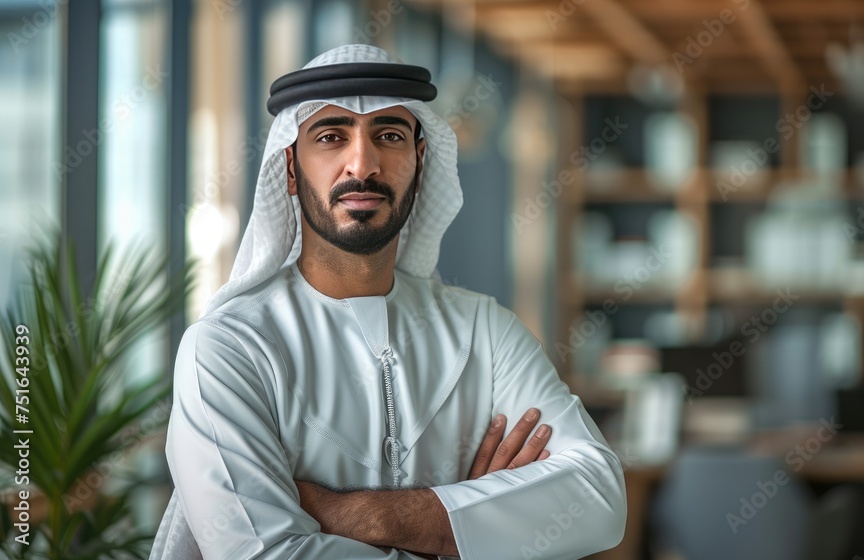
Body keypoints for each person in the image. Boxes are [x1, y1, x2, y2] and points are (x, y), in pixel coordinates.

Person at [150, 44, 626, 560]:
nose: (363, 162)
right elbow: (264, 554)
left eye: (390, 135)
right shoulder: (229, 349)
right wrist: (471, 529)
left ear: (420, 164)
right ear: (290, 168)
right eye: (331, 137)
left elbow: (597, 497)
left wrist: (370, 516)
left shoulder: (484, 330)